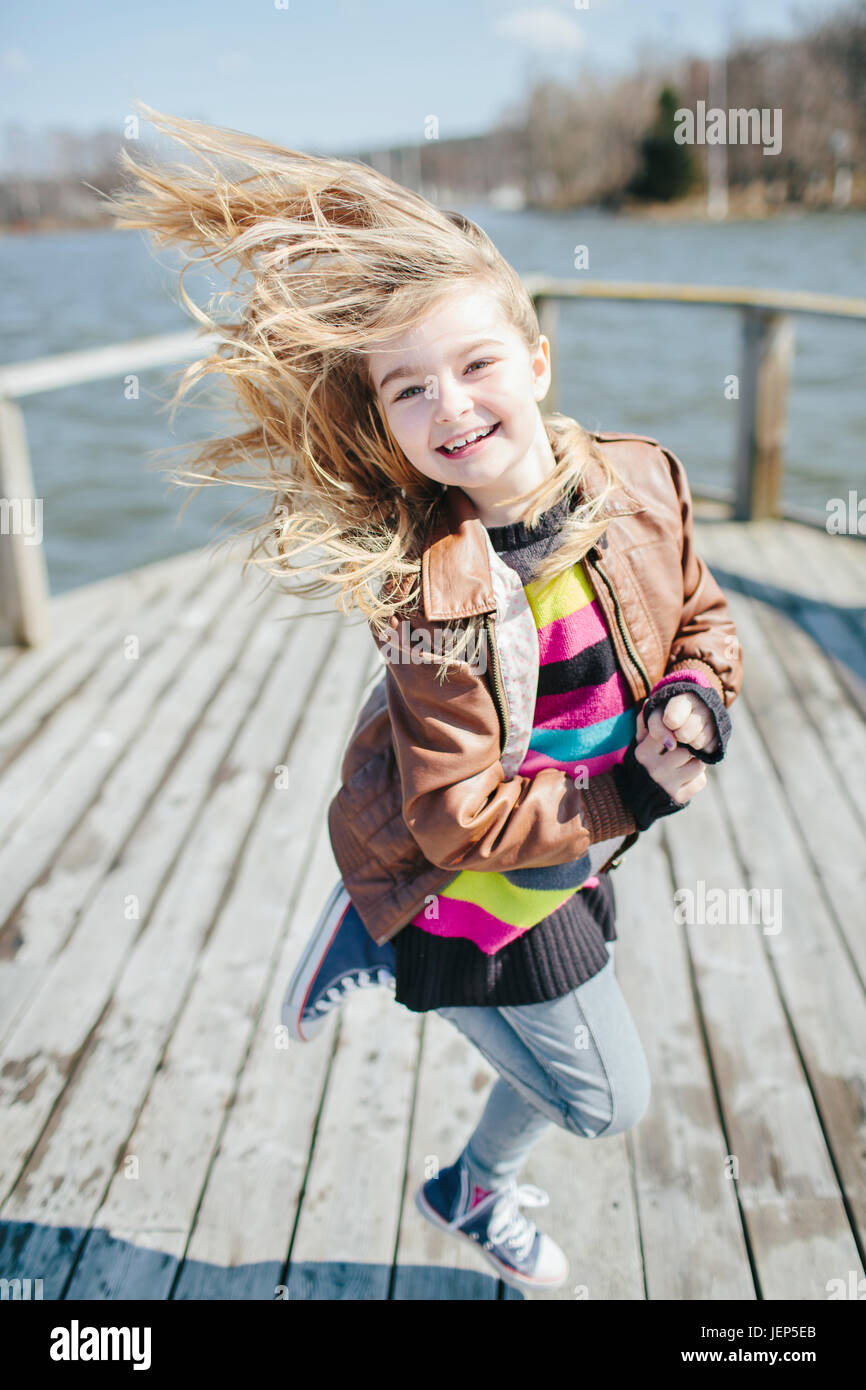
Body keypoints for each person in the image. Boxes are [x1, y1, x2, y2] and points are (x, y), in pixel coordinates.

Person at [110, 102, 743, 1296]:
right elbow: (457, 817)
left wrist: (700, 698)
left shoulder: (642, 480)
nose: (449, 407)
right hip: (482, 876)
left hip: (577, 842)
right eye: (407, 391)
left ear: (537, 358)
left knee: (562, 1072)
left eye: (474, 364)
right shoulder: (430, 598)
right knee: (606, 1103)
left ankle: (463, 1172)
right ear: (389, 427)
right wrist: (629, 792)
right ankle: (392, 949)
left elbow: (702, 617)